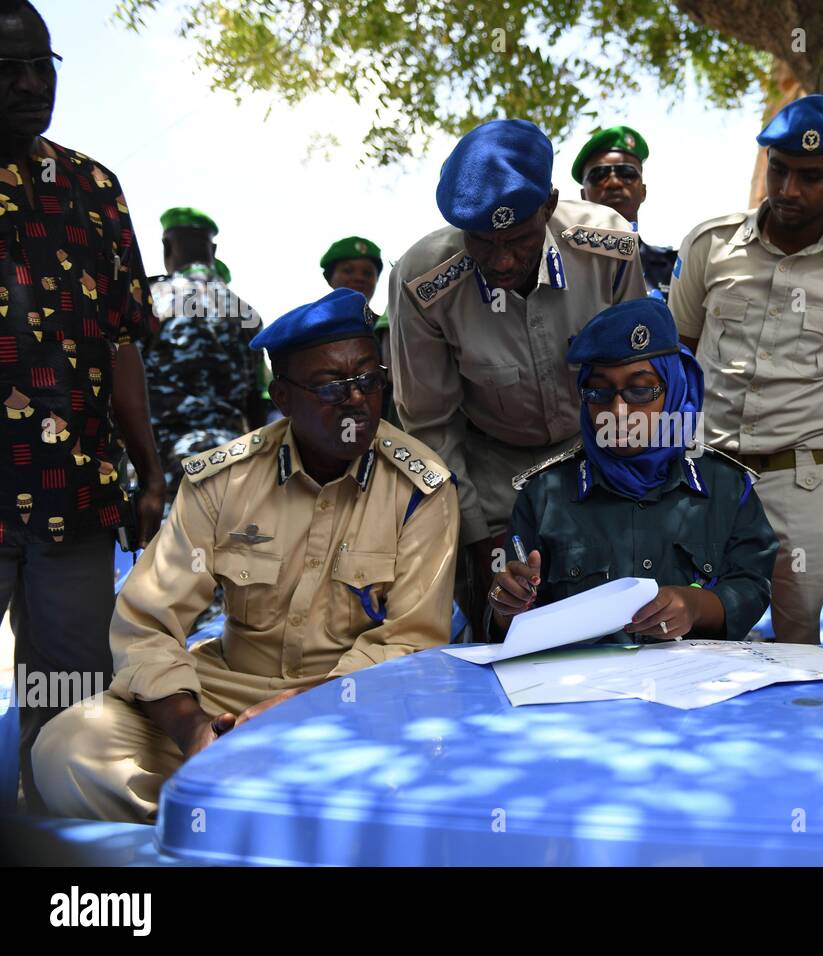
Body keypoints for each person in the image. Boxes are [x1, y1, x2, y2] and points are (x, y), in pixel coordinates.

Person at [31, 288, 460, 822]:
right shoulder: (223, 481)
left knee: (412, 772)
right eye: (330, 385)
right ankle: (237, 816)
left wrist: (296, 711)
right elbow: (147, 623)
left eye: (368, 380)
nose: (356, 400)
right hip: (225, 697)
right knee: (70, 746)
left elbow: (409, 644)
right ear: (281, 396)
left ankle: (219, 819)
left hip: (348, 705)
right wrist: (194, 731)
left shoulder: (421, 488)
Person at [389, 118, 645, 641]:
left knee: (621, 627)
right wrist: (476, 538)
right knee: (506, 636)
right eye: (483, 242)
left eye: (521, 240)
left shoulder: (610, 248)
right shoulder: (422, 283)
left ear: (549, 205)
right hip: (490, 470)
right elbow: (430, 426)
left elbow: (640, 382)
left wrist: (634, 499)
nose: (503, 260)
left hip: (597, 452)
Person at [0, 0, 163, 806]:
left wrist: (151, 471)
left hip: (73, 494)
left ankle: (47, 852)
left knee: (66, 711)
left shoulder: (95, 189)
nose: (31, 85)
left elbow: (124, 340)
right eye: (8, 71)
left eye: (43, 66)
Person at [670, 94, 823, 645]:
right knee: (689, 634)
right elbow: (678, 357)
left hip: (802, 483)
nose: (789, 190)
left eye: (810, 176)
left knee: (804, 640)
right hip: (705, 474)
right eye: (779, 169)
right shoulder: (711, 246)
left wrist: (803, 433)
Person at [489, 298, 777, 642]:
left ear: (675, 389)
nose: (619, 410)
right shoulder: (545, 495)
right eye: (599, 391)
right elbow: (511, 625)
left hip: (692, 686)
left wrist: (695, 605)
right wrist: (509, 607)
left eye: (640, 390)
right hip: (582, 688)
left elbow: (752, 584)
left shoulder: (726, 487)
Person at [146, 206, 266, 495]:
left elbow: (126, 387)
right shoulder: (246, 312)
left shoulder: (150, 301)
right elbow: (257, 398)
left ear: (167, 246)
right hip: (234, 459)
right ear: (212, 248)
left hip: (165, 462)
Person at [572, 125, 675, 299]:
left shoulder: (674, 267)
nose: (613, 183)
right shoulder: (564, 267)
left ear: (643, 191)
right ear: (583, 195)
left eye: (627, 173)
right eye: (599, 175)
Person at [320, 235, 397, 423]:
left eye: (367, 273)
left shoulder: (388, 328)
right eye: (348, 271)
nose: (359, 278)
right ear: (330, 278)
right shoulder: (312, 328)